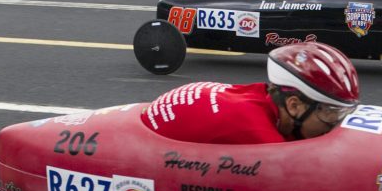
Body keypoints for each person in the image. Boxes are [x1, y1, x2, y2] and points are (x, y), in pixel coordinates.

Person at [144, 41, 360, 144]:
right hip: (149, 145)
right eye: (330, 112)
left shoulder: (265, 95)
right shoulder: (261, 135)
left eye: (341, 113)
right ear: (294, 105)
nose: (335, 123)